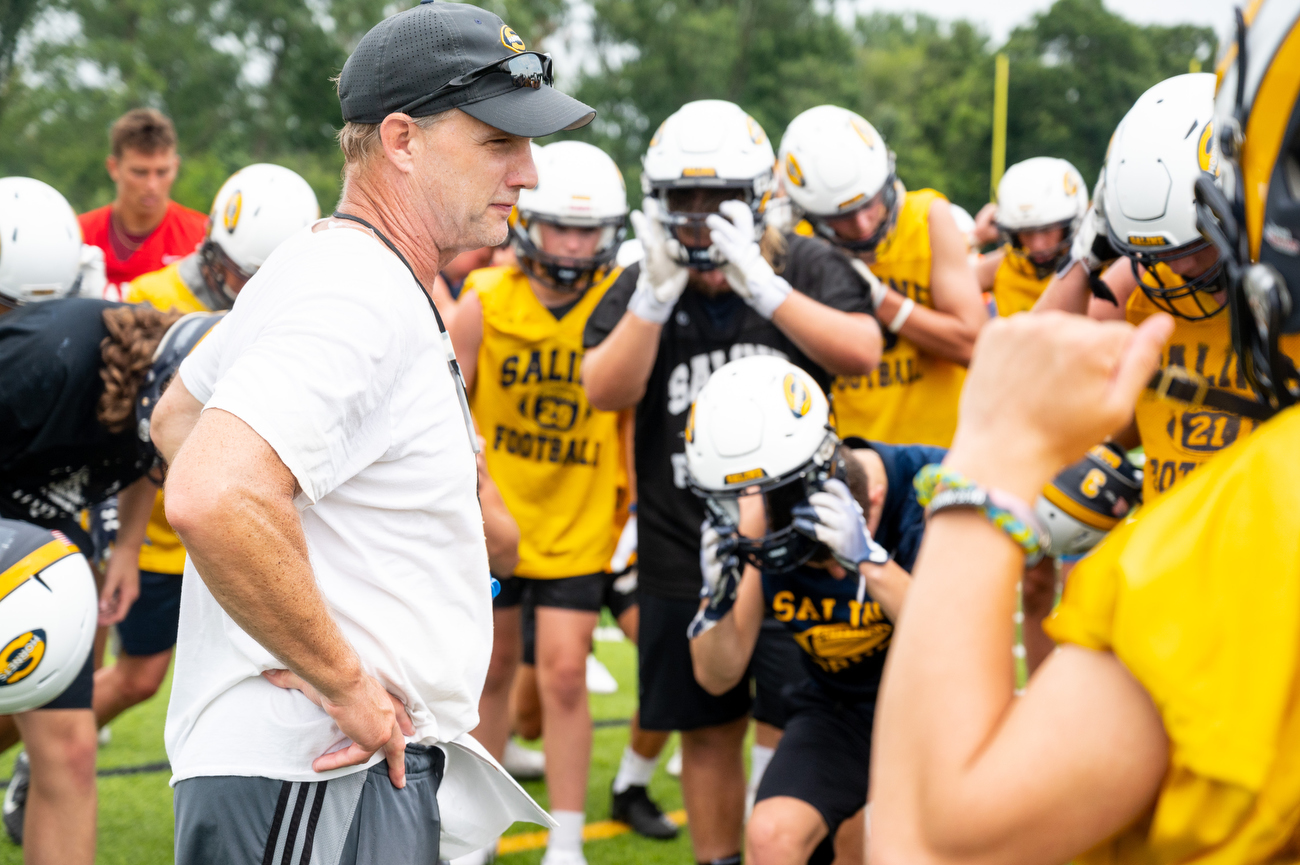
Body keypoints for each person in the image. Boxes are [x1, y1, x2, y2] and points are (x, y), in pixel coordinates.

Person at [149, 5, 592, 862]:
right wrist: (341, 675)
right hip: (318, 769)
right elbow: (211, 490)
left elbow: (176, 413)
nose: (528, 172)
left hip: (322, 771)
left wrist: (285, 611)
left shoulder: (337, 267)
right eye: (500, 141)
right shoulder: (355, 290)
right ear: (401, 140)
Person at [873, 16, 1300, 857]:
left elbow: (933, 836)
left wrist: (990, 457)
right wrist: (1090, 251)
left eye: (1191, 251)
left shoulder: (1266, 504)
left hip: (1219, 589)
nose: (1172, 278)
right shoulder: (1145, 291)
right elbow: (1059, 333)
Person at [582, 98, 881, 865]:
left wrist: (762, 287)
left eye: (720, 201)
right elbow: (603, 390)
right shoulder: (645, 280)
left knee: (797, 727)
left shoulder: (806, 264)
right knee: (706, 726)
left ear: (760, 199)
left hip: (803, 543)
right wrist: (652, 297)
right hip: (689, 546)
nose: (702, 218)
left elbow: (861, 351)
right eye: (685, 201)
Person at [449, 139, 676, 864]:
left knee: (567, 672)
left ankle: (567, 838)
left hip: (581, 517)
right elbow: (442, 411)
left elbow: (637, 418)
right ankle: (477, 832)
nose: (576, 242)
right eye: (562, 226)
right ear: (530, 222)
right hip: (495, 516)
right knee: (486, 674)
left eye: (589, 228)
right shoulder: (484, 300)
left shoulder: (624, 307)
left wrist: (636, 512)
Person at [82, 164, 320, 744]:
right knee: (141, 675)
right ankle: (42, 752)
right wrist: (127, 543)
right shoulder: (152, 299)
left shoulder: (306, 309)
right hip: (163, 524)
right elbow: (133, 431)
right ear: (214, 252)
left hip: (250, 519)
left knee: (271, 675)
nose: (255, 291)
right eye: (246, 275)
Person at [0, 177, 198, 862]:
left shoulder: (120, 355)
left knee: (71, 748)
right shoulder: (33, 365)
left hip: (45, 567)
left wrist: (125, 547)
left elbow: (149, 433)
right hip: (23, 561)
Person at [683, 355, 933, 865]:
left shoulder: (931, 487)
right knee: (771, 835)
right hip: (842, 706)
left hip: (939, 702)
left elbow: (957, 645)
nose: (754, 505)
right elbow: (716, 677)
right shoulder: (757, 514)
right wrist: (718, 600)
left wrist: (872, 562)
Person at [777, 104, 987, 448]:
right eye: (842, 216)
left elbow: (974, 345)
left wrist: (882, 301)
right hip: (849, 457)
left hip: (938, 451)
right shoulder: (798, 244)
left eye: (870, 204)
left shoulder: (927, 218)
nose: (862, 225)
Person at [77, 109, 209, 300]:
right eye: (140, 172)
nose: (152, 186)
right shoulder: (77, 236)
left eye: (162, 172)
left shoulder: (203, 239)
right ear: (113, 168)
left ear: (176, 167)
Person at [973, 157, 1089, 316]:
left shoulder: (1096, 269)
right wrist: (975, 239)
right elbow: (941, 286)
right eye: (1026, 231)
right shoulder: (1006, 264)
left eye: (1047, 230)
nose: (1038, 245)